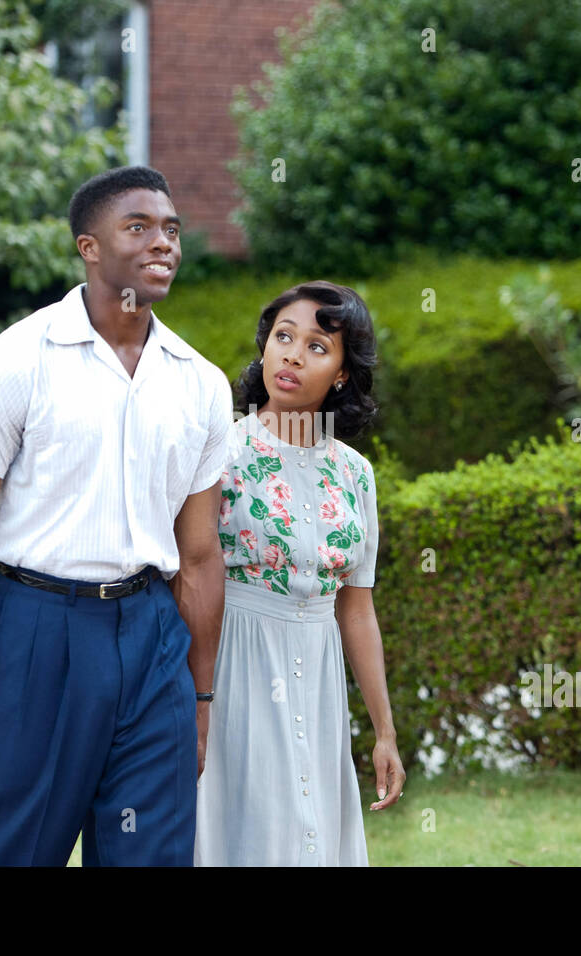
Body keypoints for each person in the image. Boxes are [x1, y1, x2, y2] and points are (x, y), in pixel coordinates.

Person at [0, 165, 234, 866]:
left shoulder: (199, 383)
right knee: (8, 850)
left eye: (171, 230)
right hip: (36, 631)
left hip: (154, 640)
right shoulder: (14, 361)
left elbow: (201, 556)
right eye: (138, 228)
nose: (162, 244)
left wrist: (199, 699)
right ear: (88, 247)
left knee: (152, 855)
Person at [193, 280, 405, 866]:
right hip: (236, 665)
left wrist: (384, 731)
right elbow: (189, 578)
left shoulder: (356, 474)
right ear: (263, 349)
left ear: (341, 372)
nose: (292, 354)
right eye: (283, 337)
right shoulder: (222, 455)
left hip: (318, 670)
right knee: (249, 832)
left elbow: (357, 609)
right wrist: (196, 697)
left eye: (317, 346)